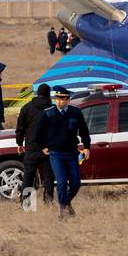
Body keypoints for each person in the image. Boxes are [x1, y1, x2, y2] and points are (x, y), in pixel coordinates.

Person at [34, 87, 90, 217]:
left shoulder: (76, 113)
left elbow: (84, 132)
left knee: (76, 183)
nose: (58, 102)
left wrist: (87, 147)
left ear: (68, 100)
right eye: (56, 99)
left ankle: (65, 203)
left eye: (62, 99)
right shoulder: (48, 113)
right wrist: (42, 146)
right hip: (56, 153)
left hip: (72, 153)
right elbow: (38, 133)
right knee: (62, 181)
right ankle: (63, 211)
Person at [14, 83, 55, 207]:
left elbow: (20, 128)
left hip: (31, 147)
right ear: (49, 95)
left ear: (37, 93)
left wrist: (19, 143)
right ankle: (48, 202)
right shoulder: (52, 109)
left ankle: (26, 204)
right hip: (48, 148)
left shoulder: (26, 108)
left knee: (28, 177)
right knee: (48, 176)